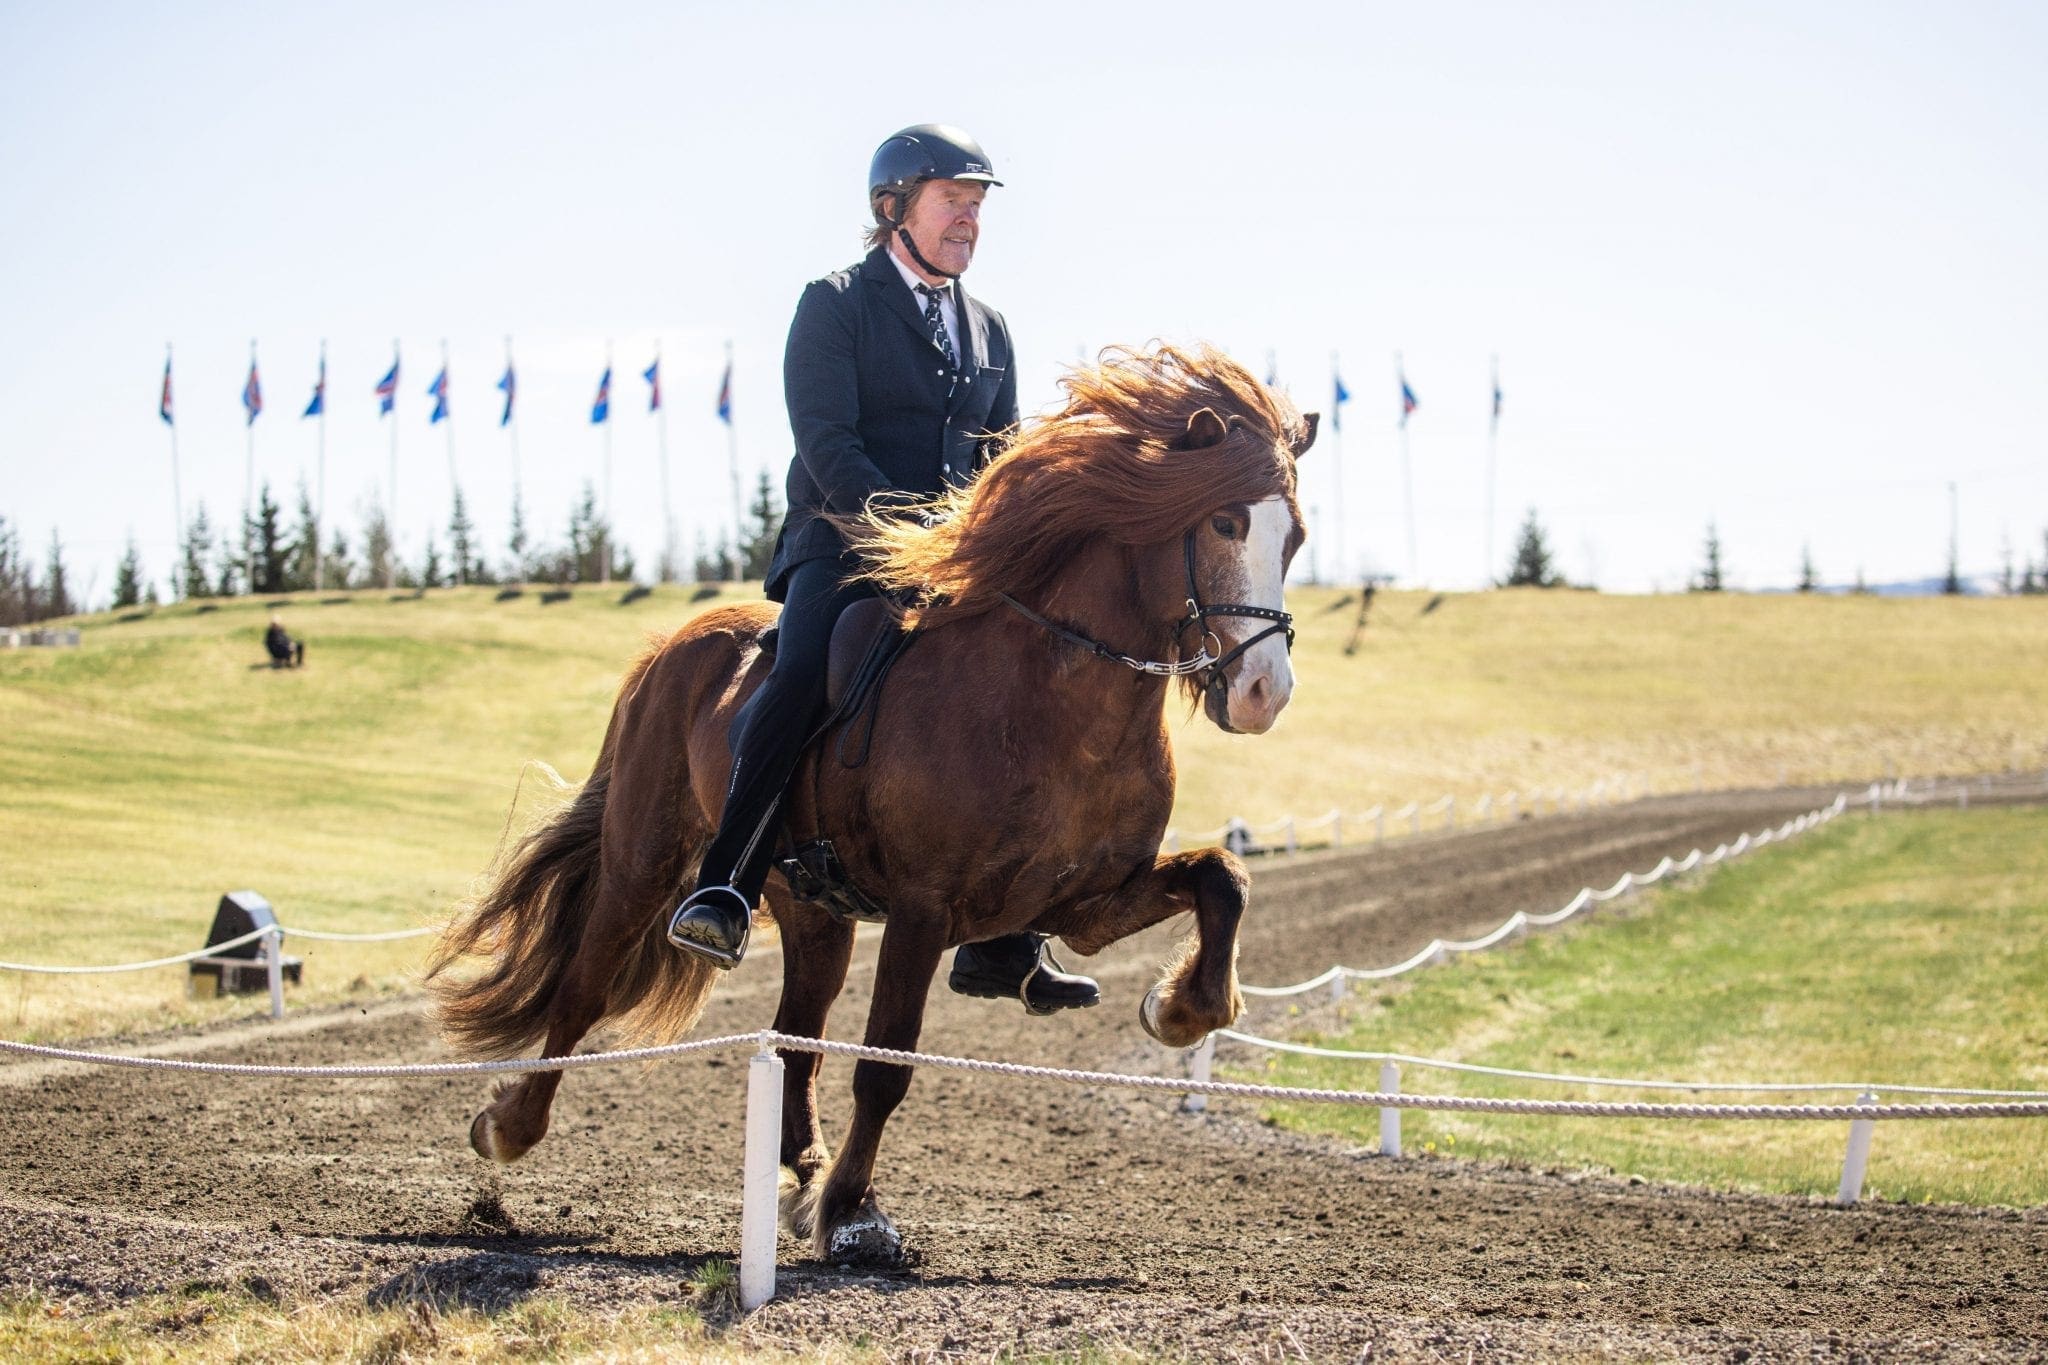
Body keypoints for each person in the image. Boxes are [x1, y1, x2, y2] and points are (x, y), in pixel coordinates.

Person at [665, 124, 1099, 1015]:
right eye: (953, 202)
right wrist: (907, 534)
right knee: (798, 676)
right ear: (892, 208)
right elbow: (828, 443)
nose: (969, 222)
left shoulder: (992, 328)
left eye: (977, 207)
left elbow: (998, 456)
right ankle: (727, 884)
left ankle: (1006, 940)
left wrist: (1003, 538)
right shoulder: (833, 305)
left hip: (957, 563)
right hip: (844, 543)